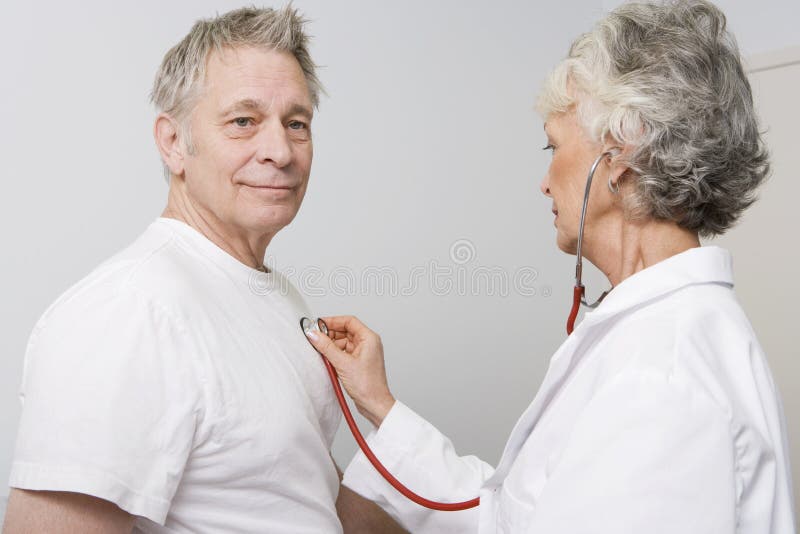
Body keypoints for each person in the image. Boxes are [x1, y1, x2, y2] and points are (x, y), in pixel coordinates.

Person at [305, 1, 796, 532]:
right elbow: (509, 514)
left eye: (553, 145)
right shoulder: (657, 336)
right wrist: (378, 401)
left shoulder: (663, 373)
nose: (543, 181)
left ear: (621, 156)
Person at [3, 6, 404, 534]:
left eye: (296, 124)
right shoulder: (128, 312)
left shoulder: (272, 295)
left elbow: (301, 487)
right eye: (244, 121)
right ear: (173, 143)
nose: (280, 151)